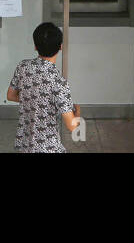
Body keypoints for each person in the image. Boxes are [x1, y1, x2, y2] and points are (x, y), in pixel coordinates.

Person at [8, 21, 81, 153]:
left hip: (25, 144)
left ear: (35, 46)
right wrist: (77, 113)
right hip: (48, 148)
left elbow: (11, 96)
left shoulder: (23, 66)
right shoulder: (59, 82)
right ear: (60, 47)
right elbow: (72, 126)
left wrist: (33, 99)